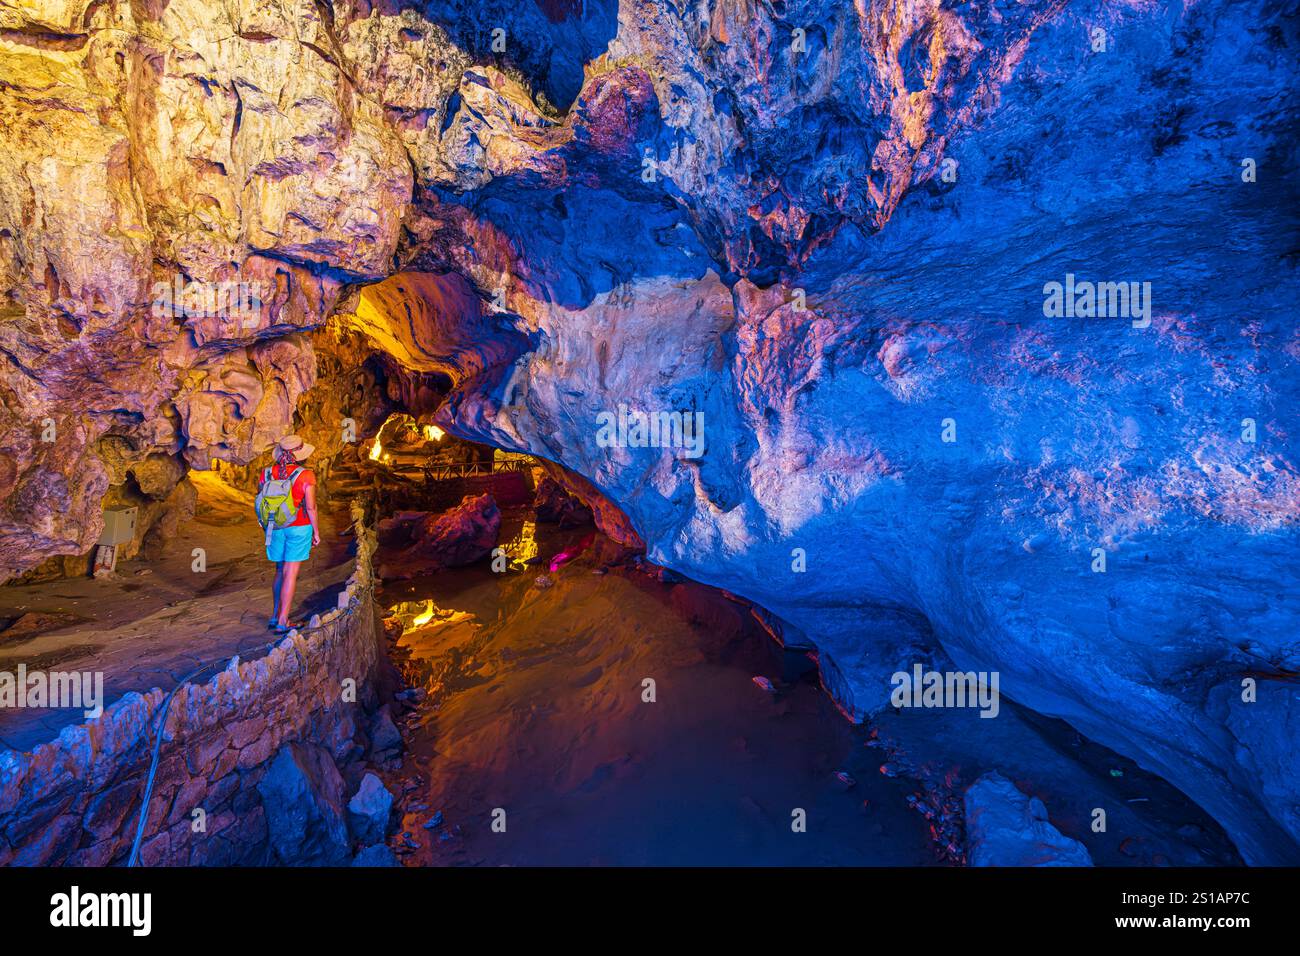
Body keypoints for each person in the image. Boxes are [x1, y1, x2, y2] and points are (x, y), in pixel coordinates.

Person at [259, 435, 320, 633]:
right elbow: (311, 507)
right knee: (290, 573)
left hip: (274, 527)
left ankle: (275, 615)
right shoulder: (306, 475)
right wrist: (316, 532)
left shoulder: (267, 472)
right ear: (300, 454)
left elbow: (263, 501)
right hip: (299, 527)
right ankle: (283, 621)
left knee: (279, 571)